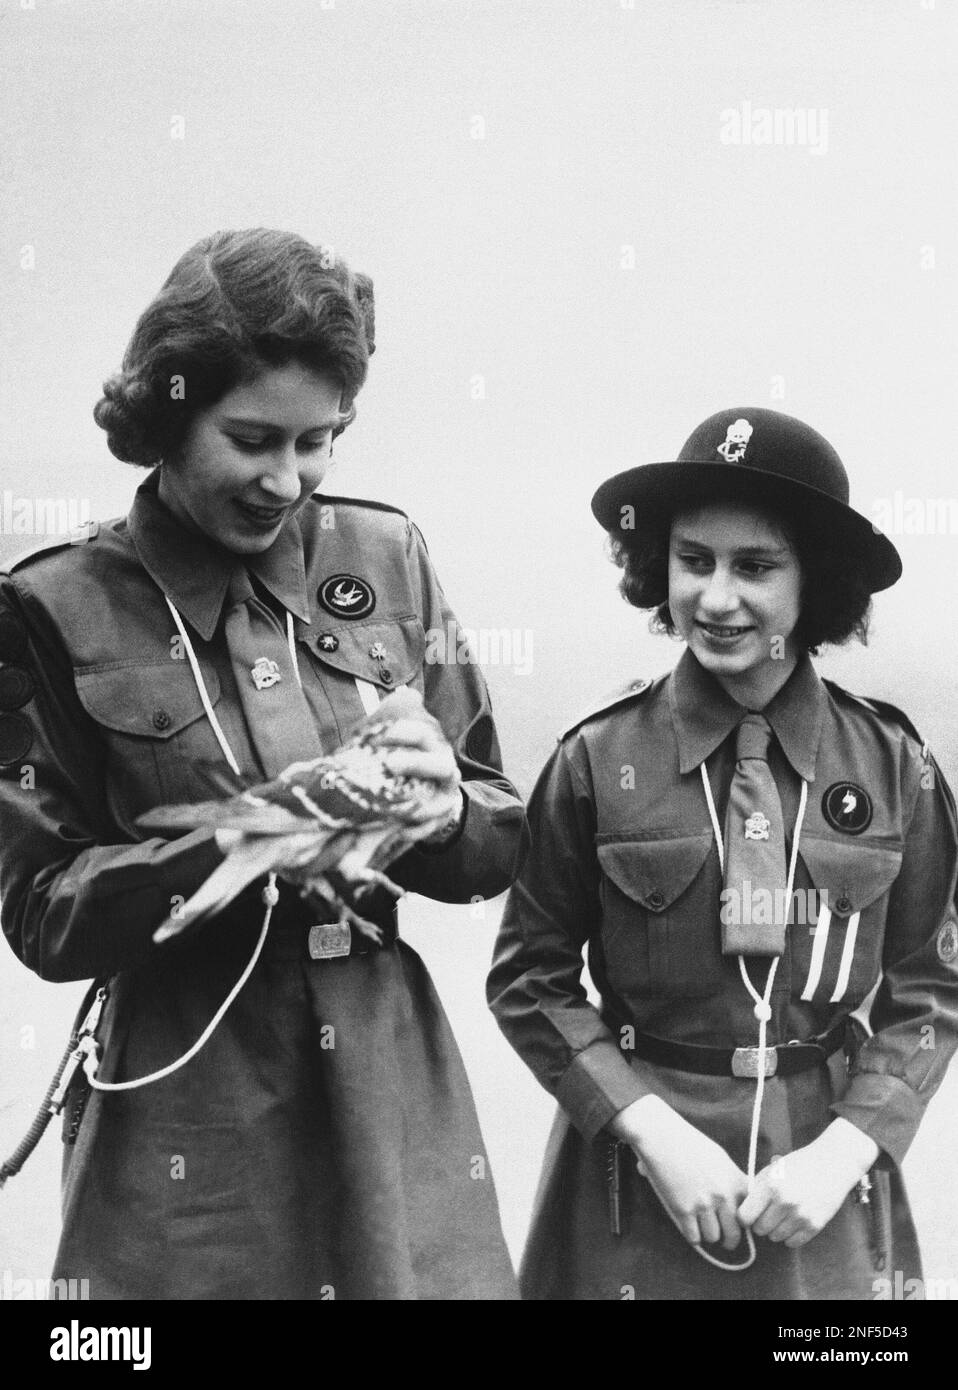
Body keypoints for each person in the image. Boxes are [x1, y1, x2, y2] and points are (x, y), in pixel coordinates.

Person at [0, 228, 526, 1300]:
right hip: (185, 1099)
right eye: (251, 439)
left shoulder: (389, 558)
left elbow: (494, 832)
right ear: (165, 412)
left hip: (389, 1082)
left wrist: (437, 810)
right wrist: (239, 843)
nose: (286, 479)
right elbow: (44, 914)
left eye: (319, 440)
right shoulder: (50, 608)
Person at [488, 406, 958, 1300]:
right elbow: (528, 979)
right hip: (636, 1174)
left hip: (823, 1173)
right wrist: (649, 1131)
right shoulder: (596, 758)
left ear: (815, 579)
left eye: (756, 567)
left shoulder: (895, 766)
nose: (715, 598)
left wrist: (848, 1149)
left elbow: (932, 985)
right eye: (692, 560)